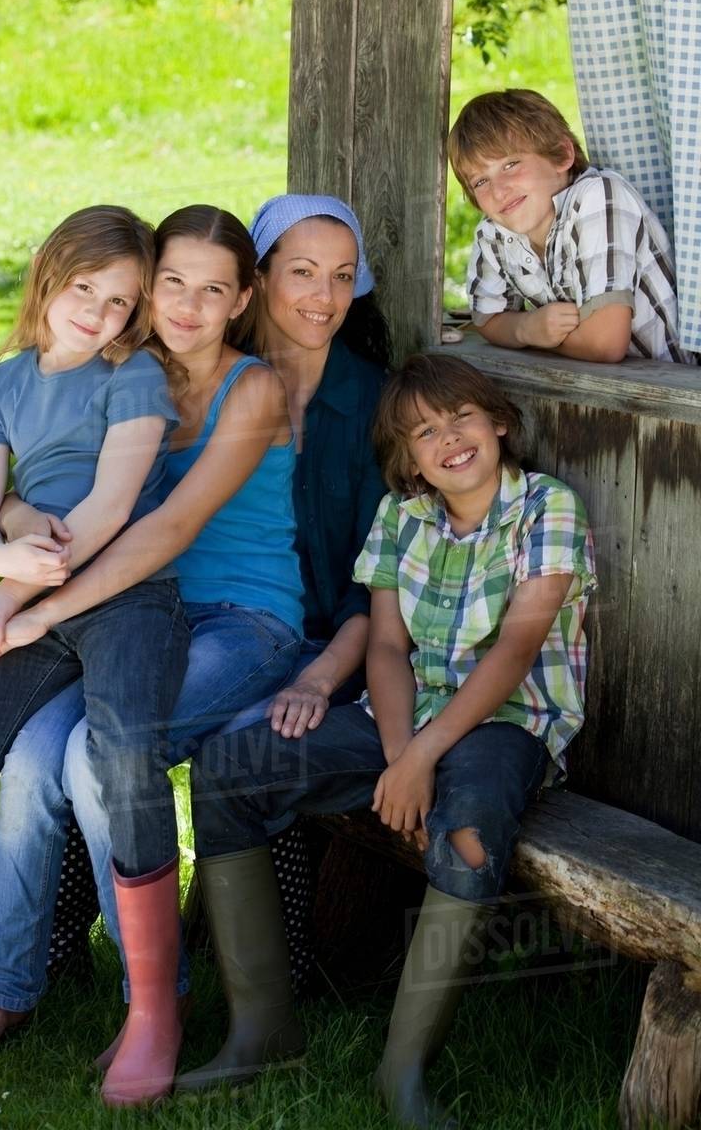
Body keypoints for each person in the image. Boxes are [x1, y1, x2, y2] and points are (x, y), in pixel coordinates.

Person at [0, 205, 304, 1107]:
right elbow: (37, 492)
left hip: (242, 620)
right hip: (126, 607)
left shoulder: (250, 388)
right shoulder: (116, 371)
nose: (188, 303)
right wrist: (15, 543)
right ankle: (3, 994)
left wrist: (28, 612)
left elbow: (166, 528)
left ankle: (150, 1008)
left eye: (216, 289)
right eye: (170, 281)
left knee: (95, 759)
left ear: (243, 299)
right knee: (24, 758)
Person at [181, 353, 597, 1130]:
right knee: (228, 771)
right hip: (398, 719)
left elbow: (513, 652)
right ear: (407, 460)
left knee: (469, 831)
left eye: (461, 419)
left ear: (499, 421)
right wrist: (402, 751)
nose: (448, 441)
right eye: (423, 434)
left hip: (509, 722)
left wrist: (420, 760)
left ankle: (401, 1073)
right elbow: (383, 649)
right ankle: (263, 1031)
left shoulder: (548, 508)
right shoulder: (401, 518)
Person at [0, 205, 193, 1106]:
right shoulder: (4, 384)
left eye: (121, 302)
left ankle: (153, 1009)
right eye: (85, 291)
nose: (101, 316)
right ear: (48, 272)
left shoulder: (135, 376)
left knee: (125, 762)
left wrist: (6, 594)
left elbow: (107, 514)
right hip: (33, 598)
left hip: (126, 605)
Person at [448, 88, 694, 365]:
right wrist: (525, 328)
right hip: (598, 388)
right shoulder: (494, 232)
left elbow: (604, 343)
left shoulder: (598, 197)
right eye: (480, 181)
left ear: (562, 156)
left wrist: (534, 339)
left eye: (511, 164)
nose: (499, 191)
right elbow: (486, 317)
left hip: (678, 384)